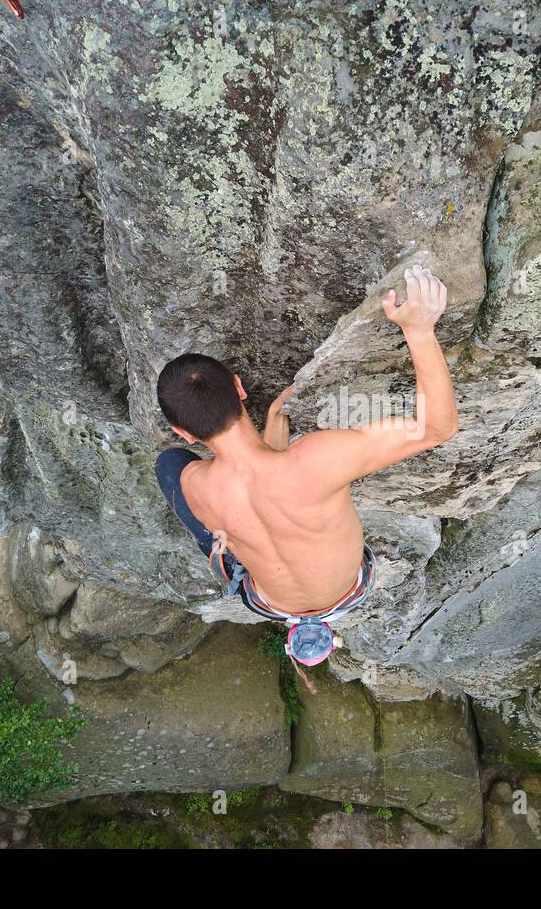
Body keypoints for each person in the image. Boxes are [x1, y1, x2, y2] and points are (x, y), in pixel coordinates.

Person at [155, 266, 458, 675]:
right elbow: (436, 428)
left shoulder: (197, 489)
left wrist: (270, 452)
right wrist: (419, 330)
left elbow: (253, 488)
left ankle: (229, 553)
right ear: (240, 388)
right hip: (345, 585)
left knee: (168, 465)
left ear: (183, 431)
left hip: (276, 600)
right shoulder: (316, 461)